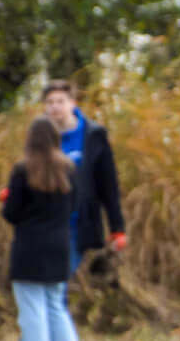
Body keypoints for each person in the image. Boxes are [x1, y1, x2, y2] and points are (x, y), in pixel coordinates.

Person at [1, 118, 83, 341]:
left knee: (31, 306)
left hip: (29, 247)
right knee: (56, 304)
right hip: (59, 245)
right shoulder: (68, 169)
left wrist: (6, 199)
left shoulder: (22, 170)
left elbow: (11, 213)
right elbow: (74, 206)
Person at [40, 80, 127, 275]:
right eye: (50, 102)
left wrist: (117, 228)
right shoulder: (40, 136)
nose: (54, 107)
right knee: (48, 285)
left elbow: (108, 184)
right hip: (45, 224)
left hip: (77, 225)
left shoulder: (93, 135)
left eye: (60, 101)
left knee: (56, 281)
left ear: (73, 103)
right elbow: (29, 174)